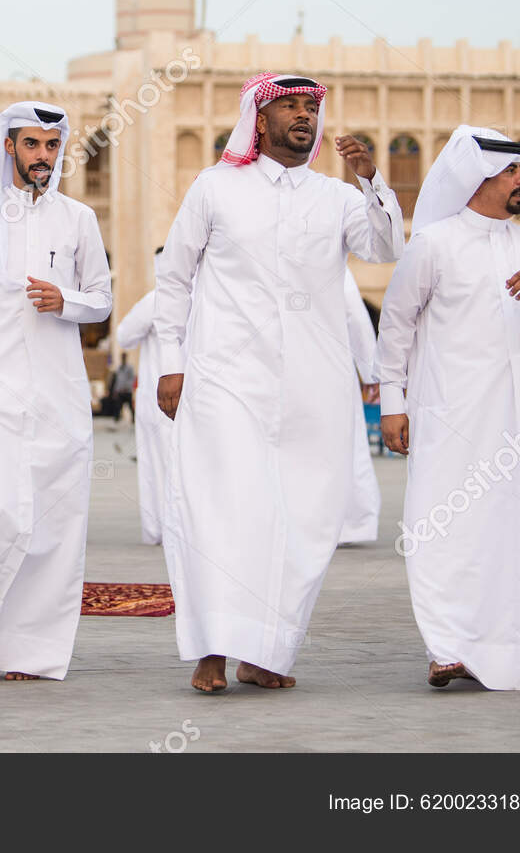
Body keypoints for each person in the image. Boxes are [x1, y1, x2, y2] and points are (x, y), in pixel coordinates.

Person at [156, 74, 402, 693]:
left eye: (311, 108)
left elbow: (385, 247)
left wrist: (371, 181)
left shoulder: (336, 197)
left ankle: (268, 649)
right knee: (223, 509)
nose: (303, 116)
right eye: (289, 106)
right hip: (226, 376)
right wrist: (170, 360)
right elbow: (175, 276)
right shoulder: (215, 187)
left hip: (314, 384)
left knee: (306, 518)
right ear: (259, 120)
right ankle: (213, 647)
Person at [377, 126, 520, 691]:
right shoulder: (435, 242)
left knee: (517, 533)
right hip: (451, 415)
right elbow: (395, 325)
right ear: (477, 178)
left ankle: (511, 649)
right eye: (513, 172)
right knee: (444, 527)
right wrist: (392, 402)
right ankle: (447, 646)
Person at [0, 102, 112, 683]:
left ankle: (31, 654)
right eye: (31, 145)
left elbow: (103, 298)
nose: (42, 156)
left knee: (54, 527)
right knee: (0, 513)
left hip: (58, 395)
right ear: (9, 147)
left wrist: (68, 301)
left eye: (51, 146)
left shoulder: (79, 218)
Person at [115, 248, 171, 546]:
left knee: (156, 465)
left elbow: (124, 335)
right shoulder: (207, 297)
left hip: (158, 397)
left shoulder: (156, 300)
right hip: (198, 398)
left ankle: (159, 528)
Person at [339, 266, 381, 545]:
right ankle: (353, 524)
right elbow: (354, 313)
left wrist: (369, 371)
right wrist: (370, 372)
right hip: (328, 367)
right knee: (345, 447)